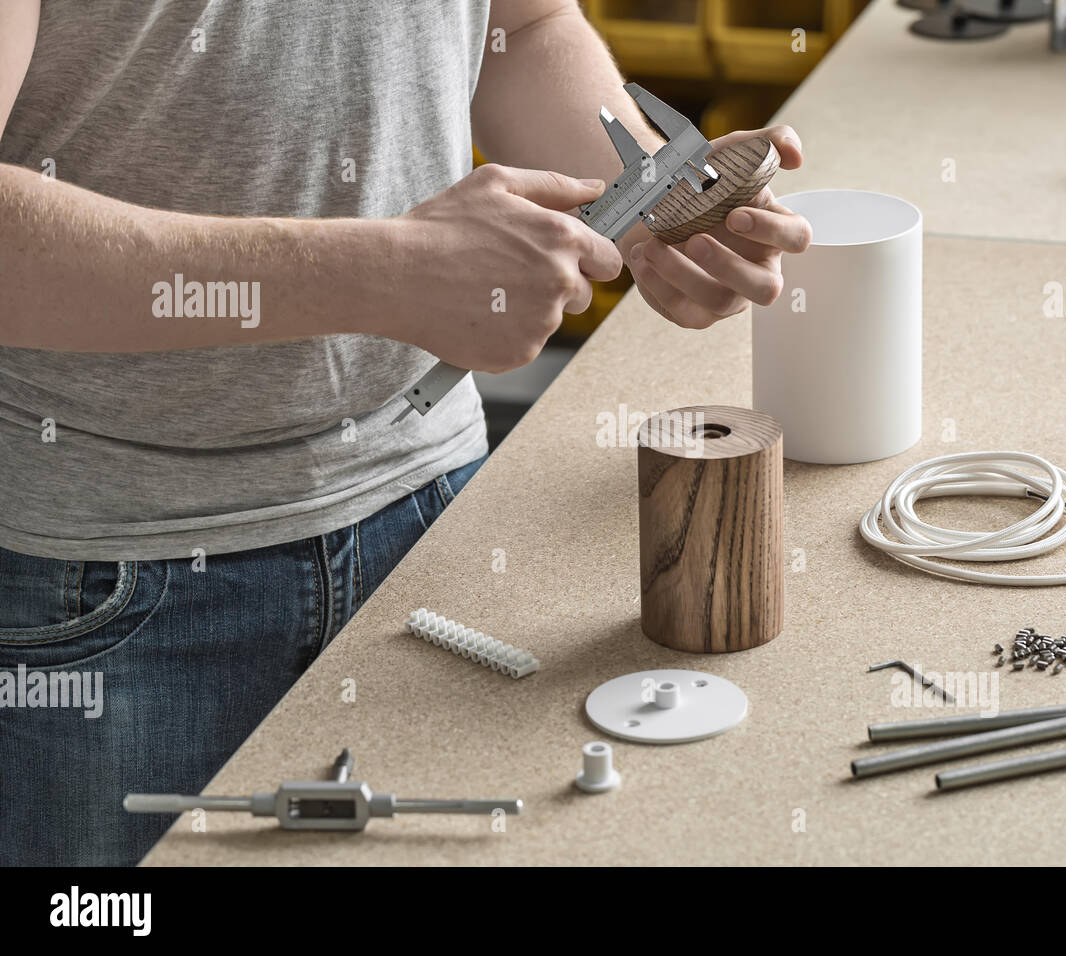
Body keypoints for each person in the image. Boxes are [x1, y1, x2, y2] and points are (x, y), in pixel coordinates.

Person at [0, 0, 812, 865]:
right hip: (115, 583)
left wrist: (651, 214)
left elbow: (519, 30)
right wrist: (383, 273)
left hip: (433, 515)